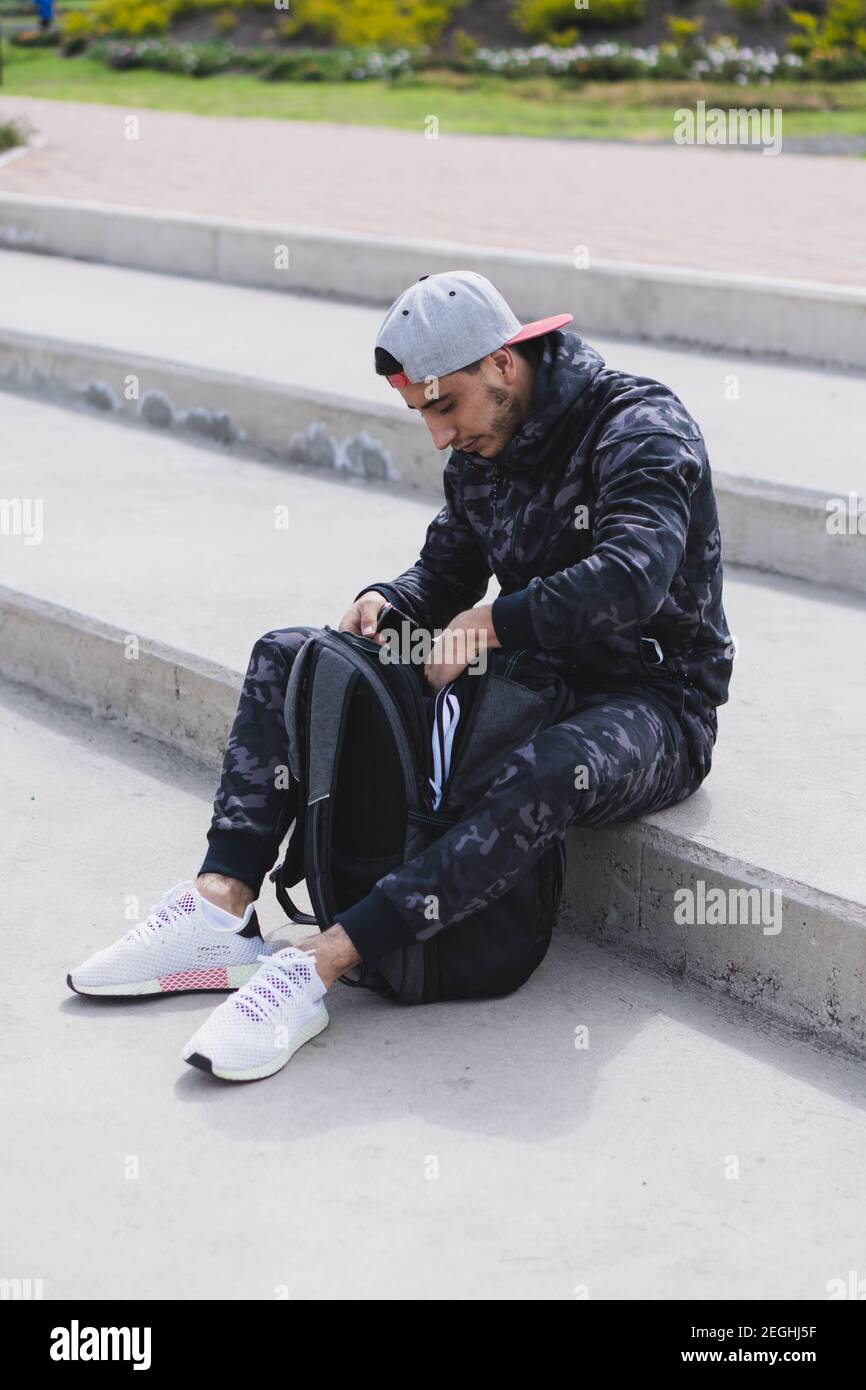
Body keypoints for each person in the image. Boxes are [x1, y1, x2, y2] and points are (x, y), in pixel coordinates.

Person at [68, 270, 734, 1083]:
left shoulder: (639, 425)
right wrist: (390, 601)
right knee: (294, 654)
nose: (438, 436)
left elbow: (635, 577)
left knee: (552, 765)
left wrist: (493, 623)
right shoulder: (480, 445)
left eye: (443, 406)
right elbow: (446, 574)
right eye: (421, 414)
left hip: (653, 703)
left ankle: (319, 964)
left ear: (502, 363)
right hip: (522, 677)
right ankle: (220, 905)